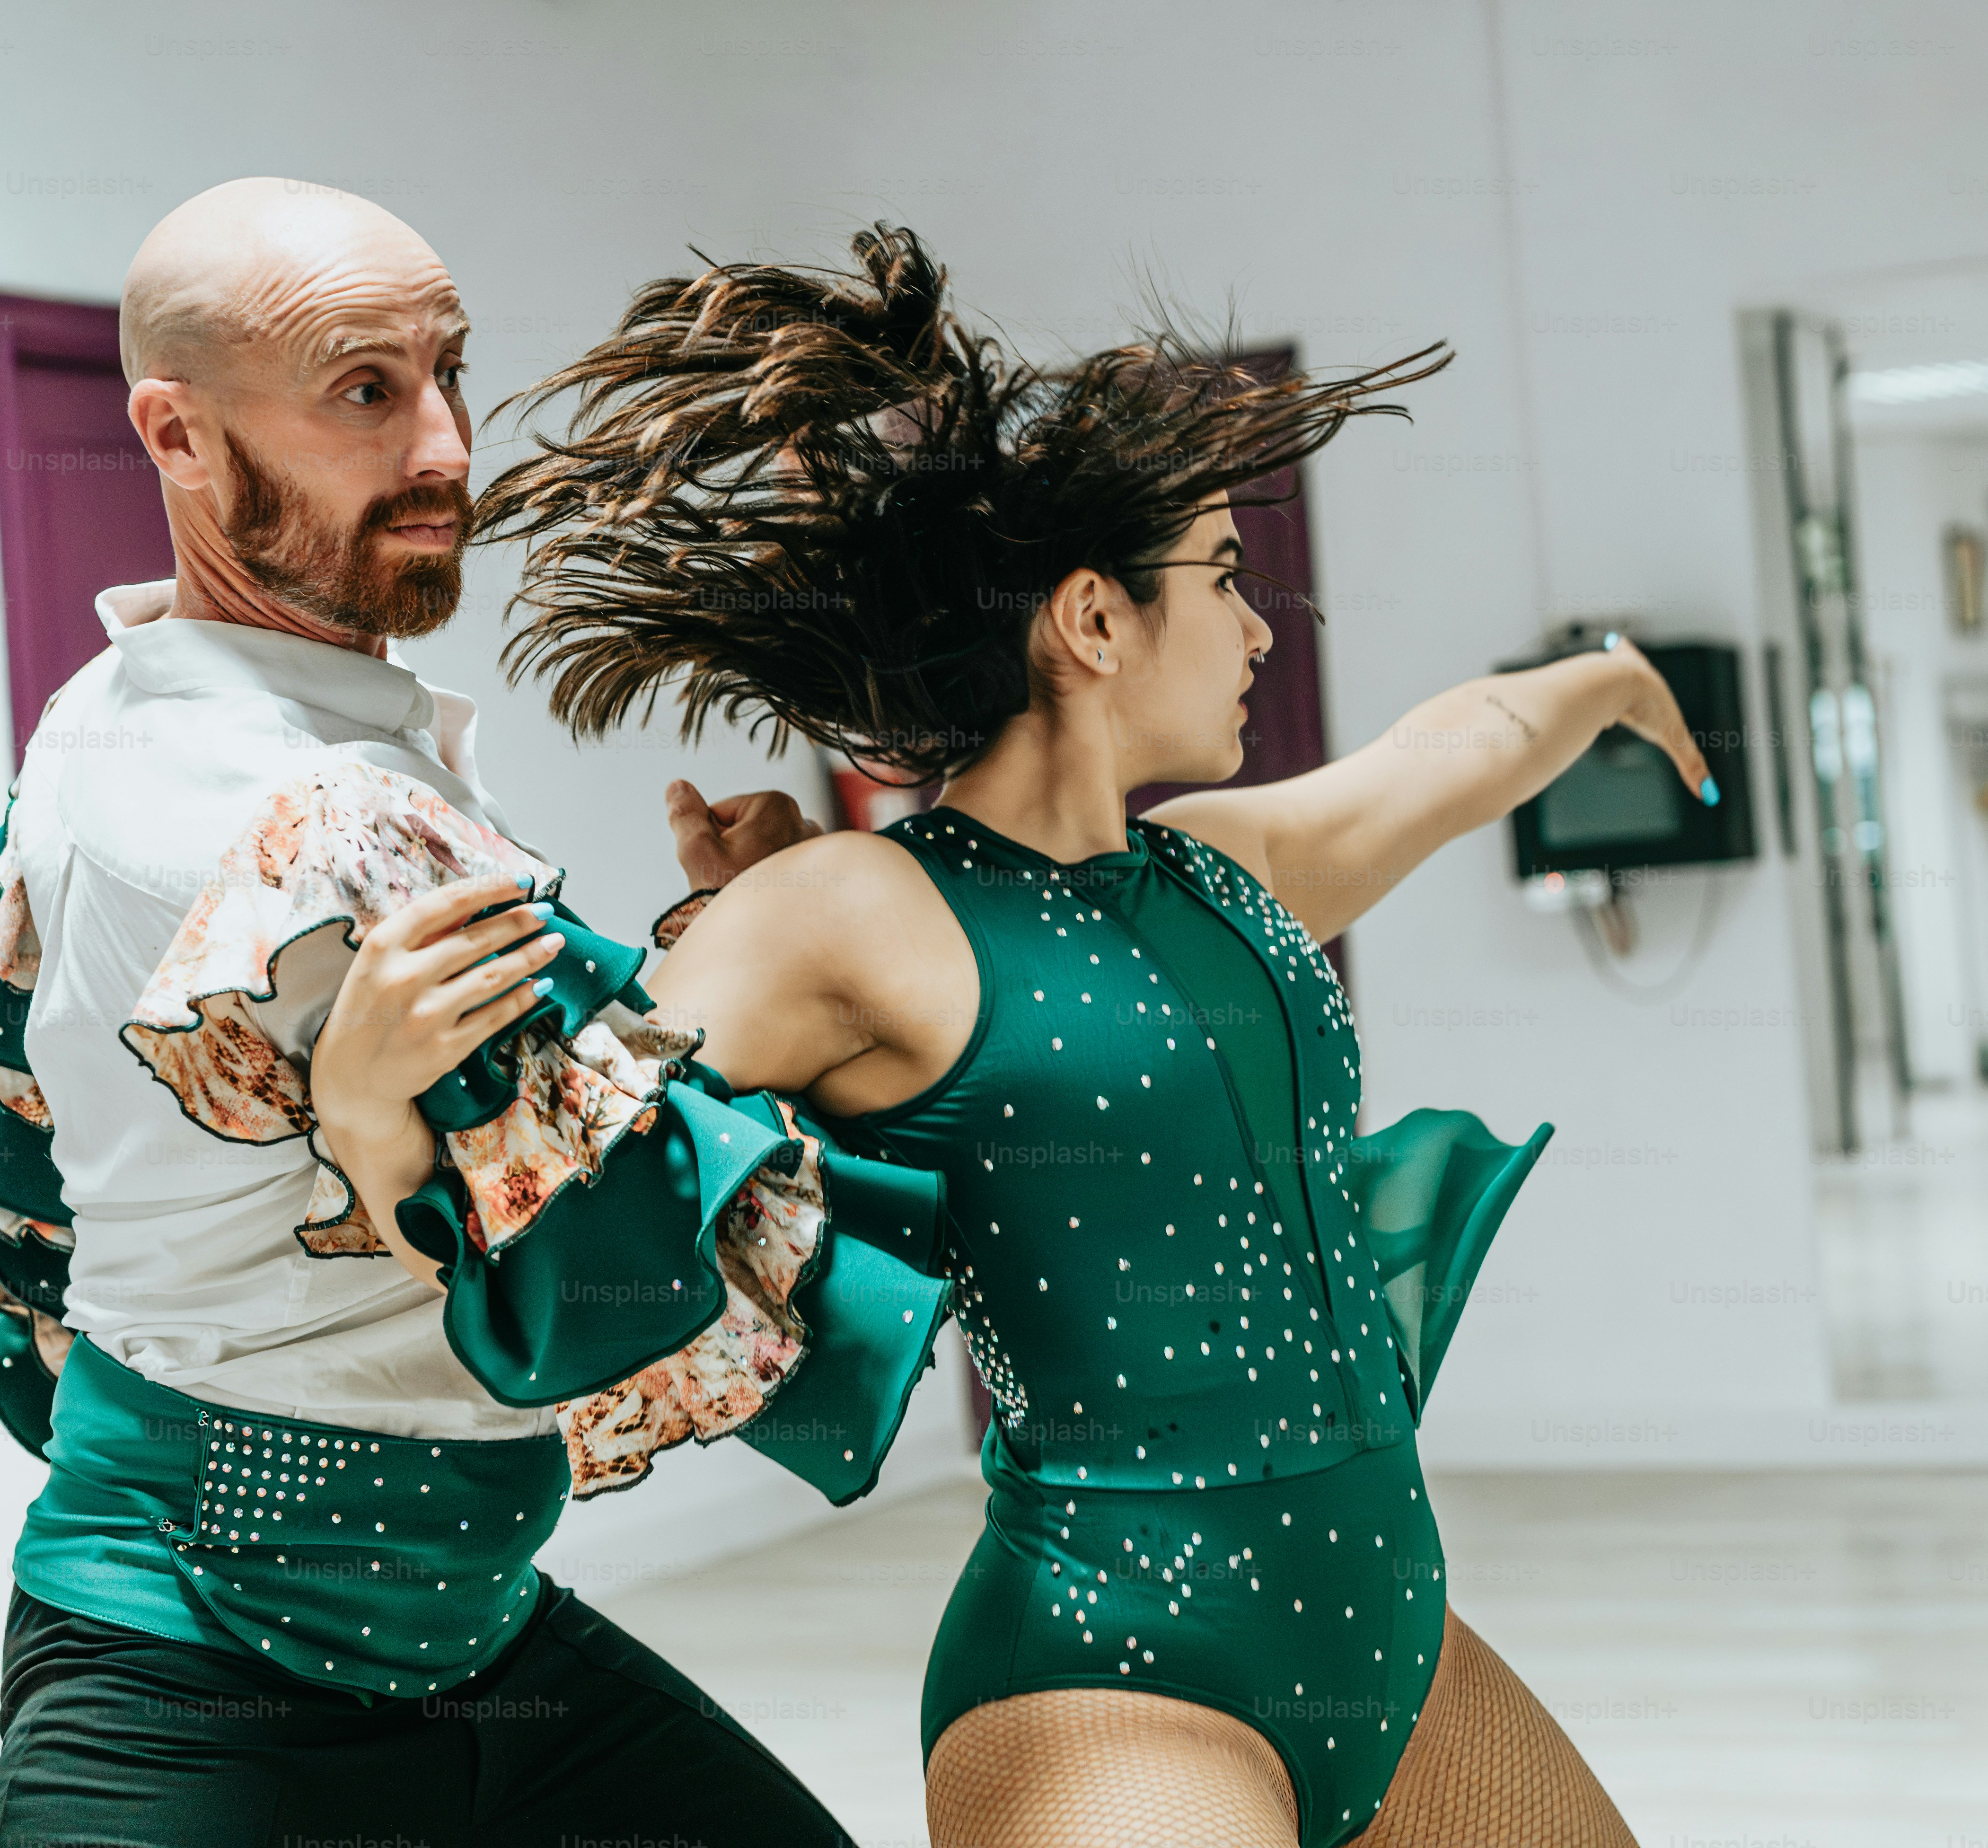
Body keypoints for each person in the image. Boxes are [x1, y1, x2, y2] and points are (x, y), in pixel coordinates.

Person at [409, 225, 1705, 1844]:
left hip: (1389, 1639)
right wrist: (712, 934)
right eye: (1223, 577)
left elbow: (1449, 757)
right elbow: (550, 1147)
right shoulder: (855, 904)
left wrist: (1608, 684)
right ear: (1093, 619)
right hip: (1112, 1678)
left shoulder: (1225, 868)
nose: (1258, 630)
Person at [0, 180, 951, 1848]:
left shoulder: (135, 706)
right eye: (365, 392)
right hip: (198, 1677)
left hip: (470, 1638)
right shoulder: (295, 812)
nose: (447, 445)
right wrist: (795, 936)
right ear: (175, 435)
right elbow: (623, 1205)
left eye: (449, 371)